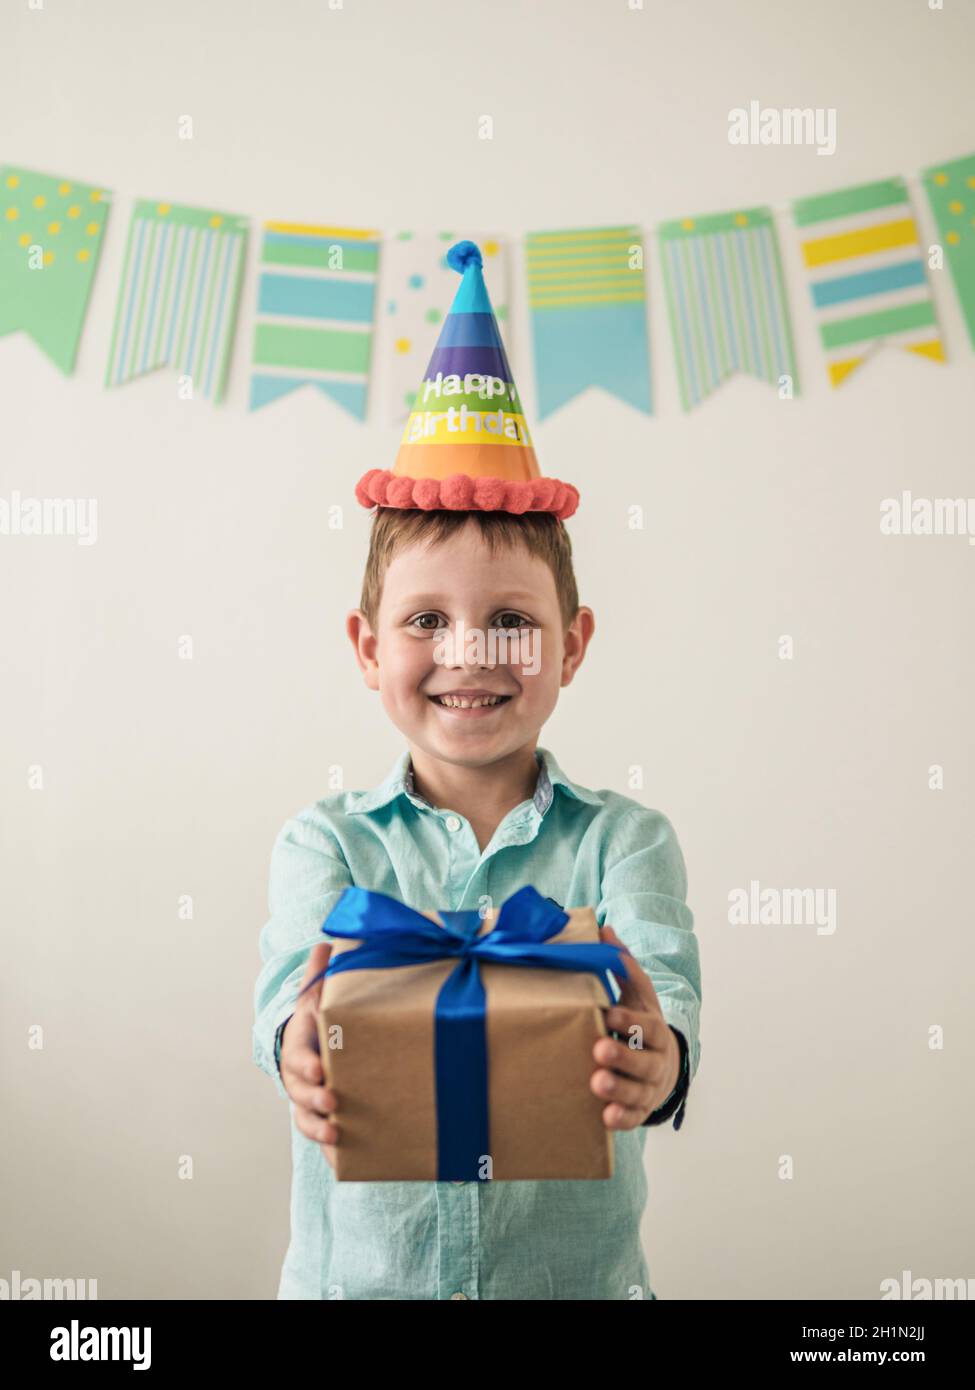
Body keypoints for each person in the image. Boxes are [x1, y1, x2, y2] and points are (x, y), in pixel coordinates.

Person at [252, 241, 702, 1299]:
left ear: (571, 644)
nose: (469, 654)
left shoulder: (625, 840)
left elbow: (665, 994)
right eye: (425, 621)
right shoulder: (324, 841)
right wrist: (298, 1051)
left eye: (510, 621)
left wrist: (659, 1053)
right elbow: (285, 1004)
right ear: (368, 648)